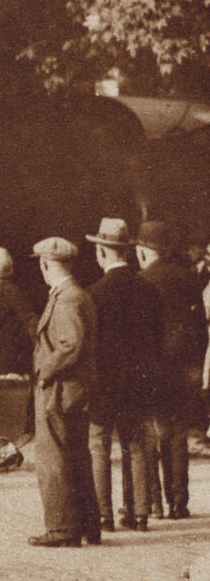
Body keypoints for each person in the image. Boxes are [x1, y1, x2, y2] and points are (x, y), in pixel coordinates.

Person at [85, 218, 162, 533]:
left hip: (104, 383)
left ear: (102, 251)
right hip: (140, 382)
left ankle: (104, 515)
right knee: (137, 446)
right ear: (127, 251)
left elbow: (90, 345)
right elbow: (157, 339)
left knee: (100, 445)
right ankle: (140, 513)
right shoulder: (148, 290)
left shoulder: (94, 294)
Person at [30, 236, 99, 547]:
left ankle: (61, 529)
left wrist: (45, 370)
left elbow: (71, 344)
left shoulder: (67, 298)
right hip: (74, 390)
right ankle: (86, 525)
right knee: (76, 457)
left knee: (54, 459)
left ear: (45, 265)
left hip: (59, 391)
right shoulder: (76, 294)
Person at [135, 220, 204, 520]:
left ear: (142, 251)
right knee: (178, 434)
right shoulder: (189, 279)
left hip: (151, 370)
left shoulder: (140, 281)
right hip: (183, 368)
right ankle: (179, 502)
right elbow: (201, 327)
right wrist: (195, 364)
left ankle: (153, 503)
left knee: (151, 434)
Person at [0, 246, 36, 376]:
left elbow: (30, 320)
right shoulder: (5, 290)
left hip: (4, 360)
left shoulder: (7, 291)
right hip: (2, 357)